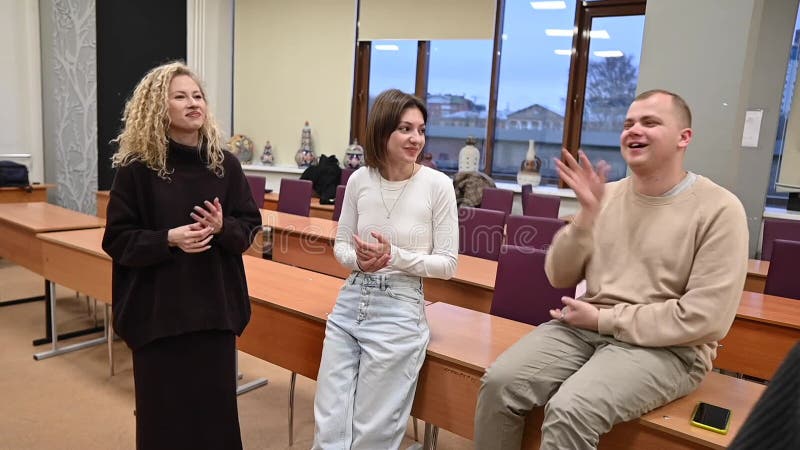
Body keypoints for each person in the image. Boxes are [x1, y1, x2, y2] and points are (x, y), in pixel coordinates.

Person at [474, 89, 749, 449]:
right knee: (499, 383)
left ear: (684, 138)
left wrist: (606, 321)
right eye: (628, 123)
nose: (634, 130)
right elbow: (558, 275)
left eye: (650, 122)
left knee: (571, 409)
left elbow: (707, 319)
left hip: (669, 349)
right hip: (584, 329)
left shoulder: (720, 209)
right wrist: (585, 220)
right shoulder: (607, 196)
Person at [101, 61, 262, 450]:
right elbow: (117, 240)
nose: (193, 103)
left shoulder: (226, 166)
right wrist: (168, 239)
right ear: (159, 107)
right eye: (180, 96)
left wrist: (224, 228)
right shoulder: (136, 170)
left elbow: (249, 229)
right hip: (159, 316)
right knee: (165, 421)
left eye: (198, 96)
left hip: (213, 313)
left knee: (215, 419)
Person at [312, 89, 459, 449]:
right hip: (351, 303)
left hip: (400, 309)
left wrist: (395, 257)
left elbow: (448, 264)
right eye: (406, 129)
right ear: (382, 132)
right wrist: (359, 260)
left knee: (371, 436)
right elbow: (342, 246)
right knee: (329, 430)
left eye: (421, 130)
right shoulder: (360, 180)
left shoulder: (437, 186)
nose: (416, 139)